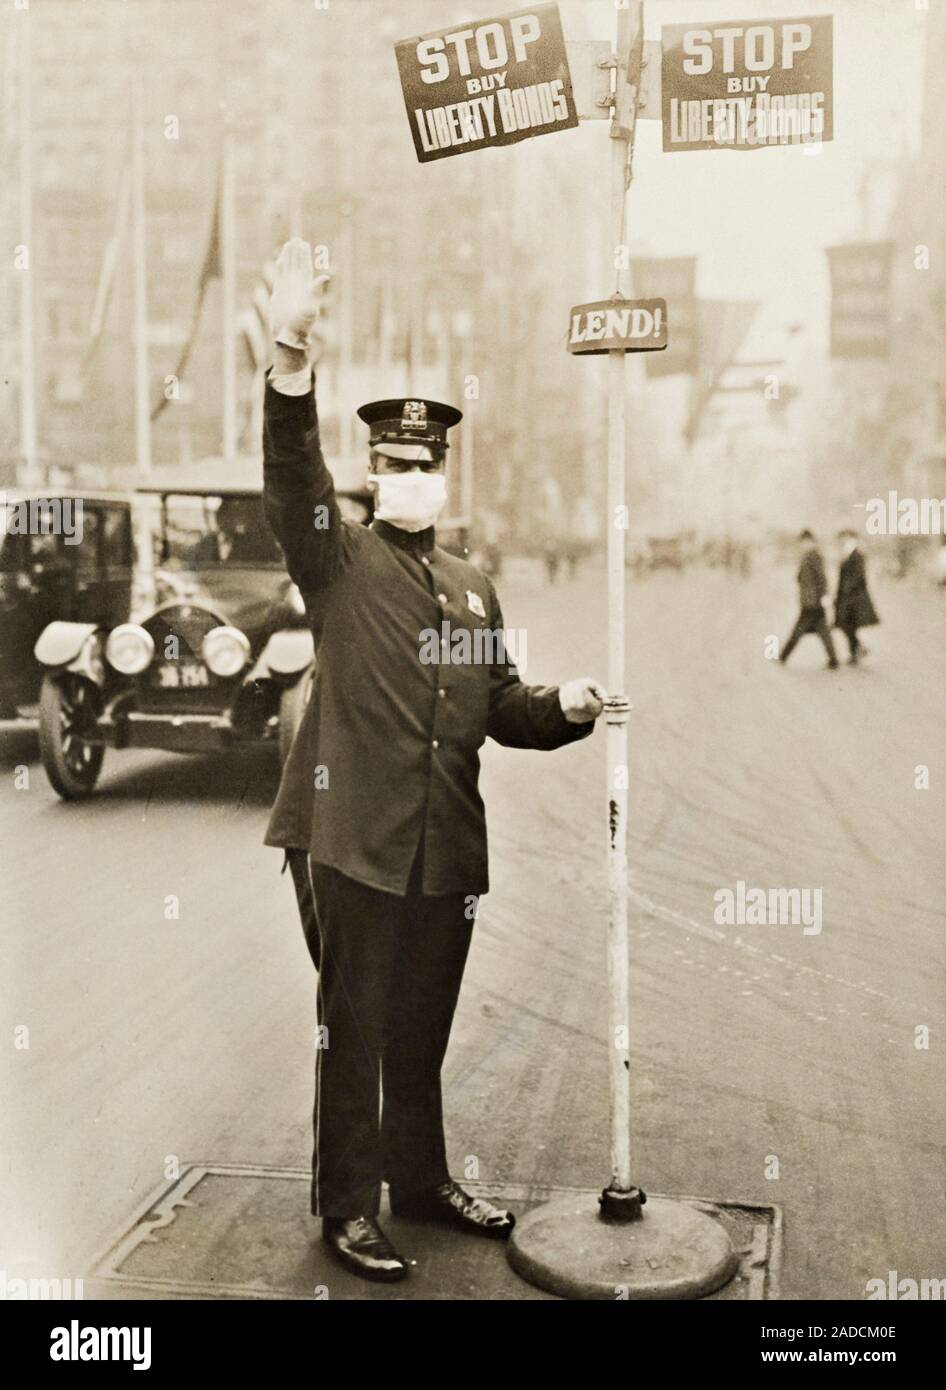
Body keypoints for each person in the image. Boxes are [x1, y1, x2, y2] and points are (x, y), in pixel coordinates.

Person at [261, 240, 606, 1284]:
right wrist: (291, 349)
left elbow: (495, 704)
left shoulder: (469, 584)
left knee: (417, 1033)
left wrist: (567, 706)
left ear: (442, 476)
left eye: (426, 466)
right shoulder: (338, 557)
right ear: (372, 475)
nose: (410, 478)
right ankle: (345, 1209)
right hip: (353, 836)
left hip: (443, 849)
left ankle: (419, 1183)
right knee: (352, 1033)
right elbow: (288, 472)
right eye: (394, 466)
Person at [779, 529, 839, 669]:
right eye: (802, 542)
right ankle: (833, 660)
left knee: (798, 630)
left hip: (812, 601)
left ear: (811, 541)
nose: (803, 545)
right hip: (811, 600)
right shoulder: (809, 555)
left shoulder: (814, 556)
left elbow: (821, 578)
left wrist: (824, 596)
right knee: (823, 631)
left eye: (805, 542)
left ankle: (783, 656)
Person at [834, 528, 879, 664]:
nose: (841, 540)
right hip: (847, 596)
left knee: (847, 624)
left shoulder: (856, 554)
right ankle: (857, 650)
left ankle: (856, 651)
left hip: (854, 597)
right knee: (847, 624)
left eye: (843, 537)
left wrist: (847, 590)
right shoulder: (848, 553)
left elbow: (859, 576)